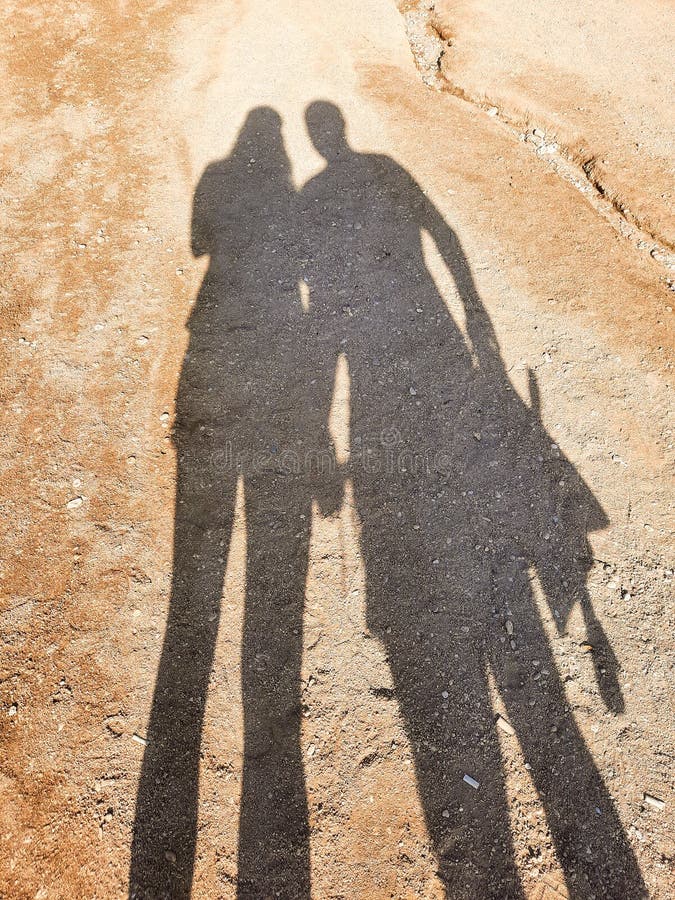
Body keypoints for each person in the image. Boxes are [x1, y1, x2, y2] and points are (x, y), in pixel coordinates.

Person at [299, 100, 645, 898]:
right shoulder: (377, 174)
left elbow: (321, 308)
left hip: (377, 379)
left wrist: (319, 416)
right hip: (429, 348)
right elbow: (445, 243)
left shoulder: (320, 192)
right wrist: (475, 316)